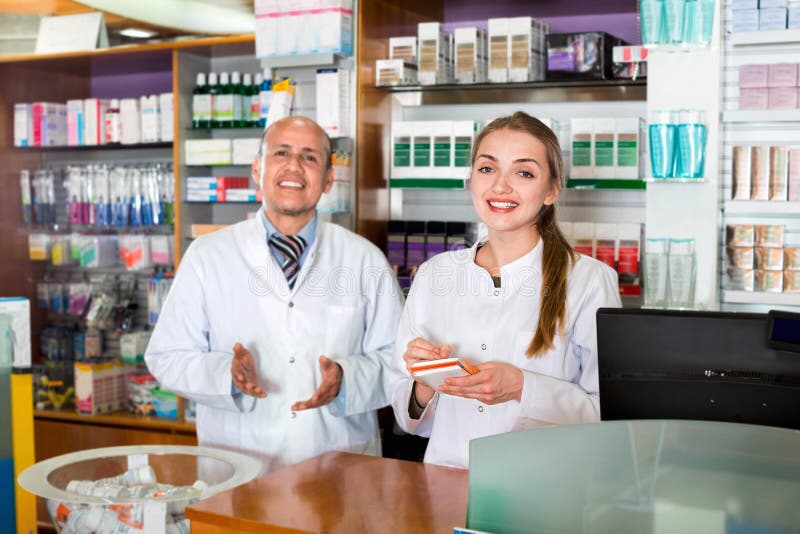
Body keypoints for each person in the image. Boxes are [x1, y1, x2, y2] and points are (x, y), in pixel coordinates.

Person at [146, 116, 403, 472]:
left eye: (310, 157)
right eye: (281, 153)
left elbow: (400, 360)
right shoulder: (208, 255)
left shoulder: (364, 259)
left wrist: (347, 378)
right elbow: (166, 356)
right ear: (258, 168)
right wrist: (226, 373)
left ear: (328, 179)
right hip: (239, 465)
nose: (294, 166)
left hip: (338, 466)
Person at [390, 112, 621, 469]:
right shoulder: (435, 275)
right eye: (487, 169)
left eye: (523, 172)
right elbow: (408, 421)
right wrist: (424, 385)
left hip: (545, 492)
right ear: (471, 179)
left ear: (551, 190)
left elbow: (610, 415)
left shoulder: (588, 281)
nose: (500, 186)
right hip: (446, 485)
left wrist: (522, 387)